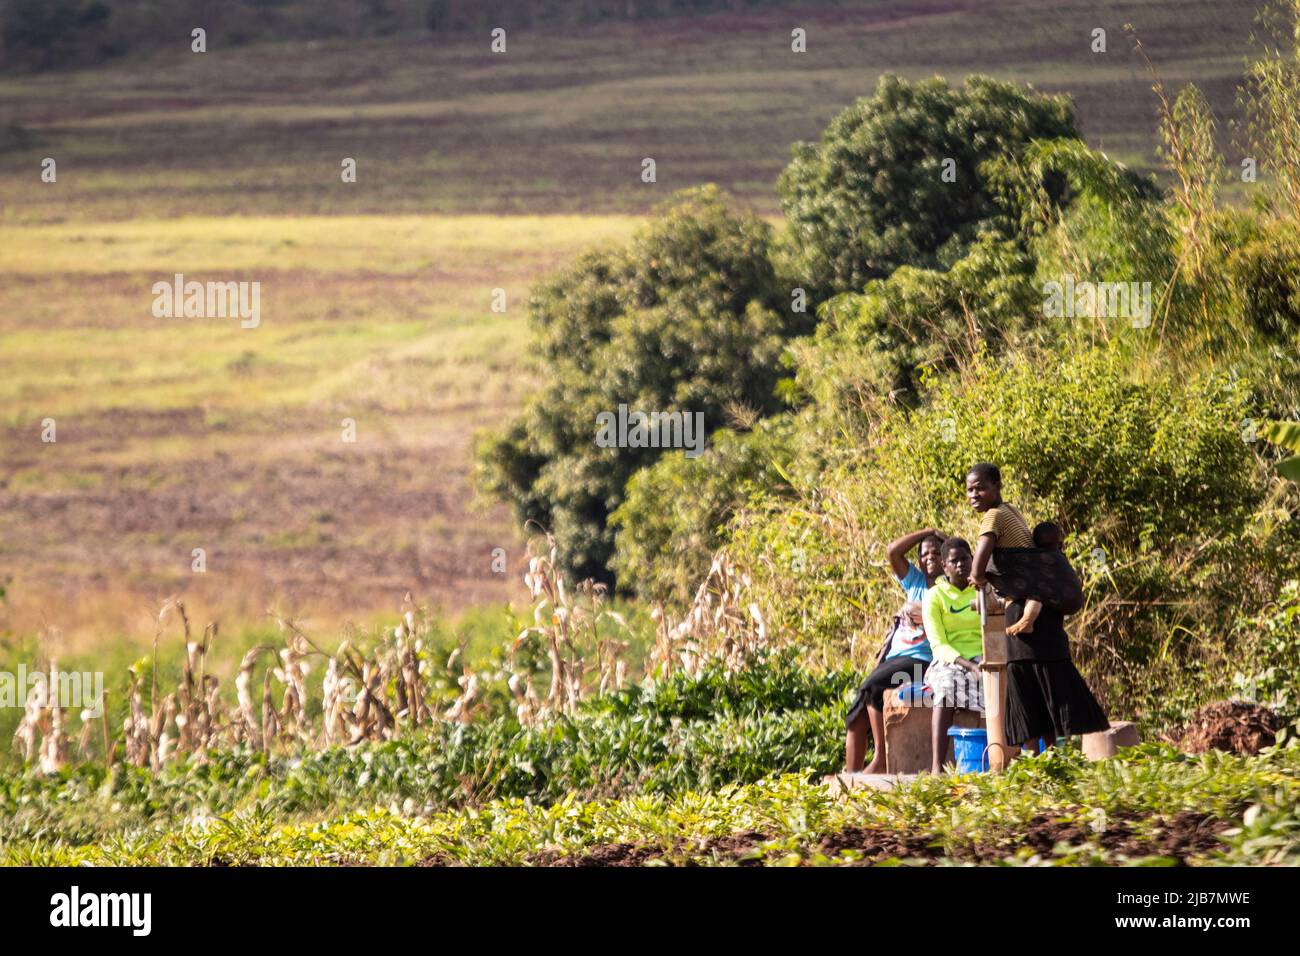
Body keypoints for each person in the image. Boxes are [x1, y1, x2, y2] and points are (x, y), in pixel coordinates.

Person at [844, 527, 945, 773]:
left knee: (872, 686)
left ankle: (881, 759)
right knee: (854, 717)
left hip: (922, 661)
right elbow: (893, 551)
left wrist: (947, 540)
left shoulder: (947, 587)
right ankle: (852, 777)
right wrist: (928, 531)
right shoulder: (915, 581)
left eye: (935, 553)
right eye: (924, 554)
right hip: (894, 659)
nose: (929, 557)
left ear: (945, 558)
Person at [1002, 524, 1109, 751]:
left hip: (1020, 650)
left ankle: (1036, 768)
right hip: (1047, 652)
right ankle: (1056, 763)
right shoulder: (1058, 564)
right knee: (1055, 717)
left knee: (1031, 720)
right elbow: (1070, 598)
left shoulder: (1023, 565)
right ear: (1060, 544)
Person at [922, 536, 985, 774]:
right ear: (944, 566)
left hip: (982, 656)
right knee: (946, 689)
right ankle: (937, 766)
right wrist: (969, 665)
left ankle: (989, 761)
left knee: (999, 682)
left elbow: (992, 629)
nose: (960, 565)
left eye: (965, 559)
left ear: (972, 560)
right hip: (950, 660)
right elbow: (938, 644)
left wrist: (982, 662)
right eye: (954, 561)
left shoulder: (981, 591)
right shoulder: (934, 597)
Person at [1004, 521, 1063, 636]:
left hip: (1040, 596)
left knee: (1036, 596)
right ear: (1059, 544)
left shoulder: (1046, 561)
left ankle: (1026, 622)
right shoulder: (1059, 559)